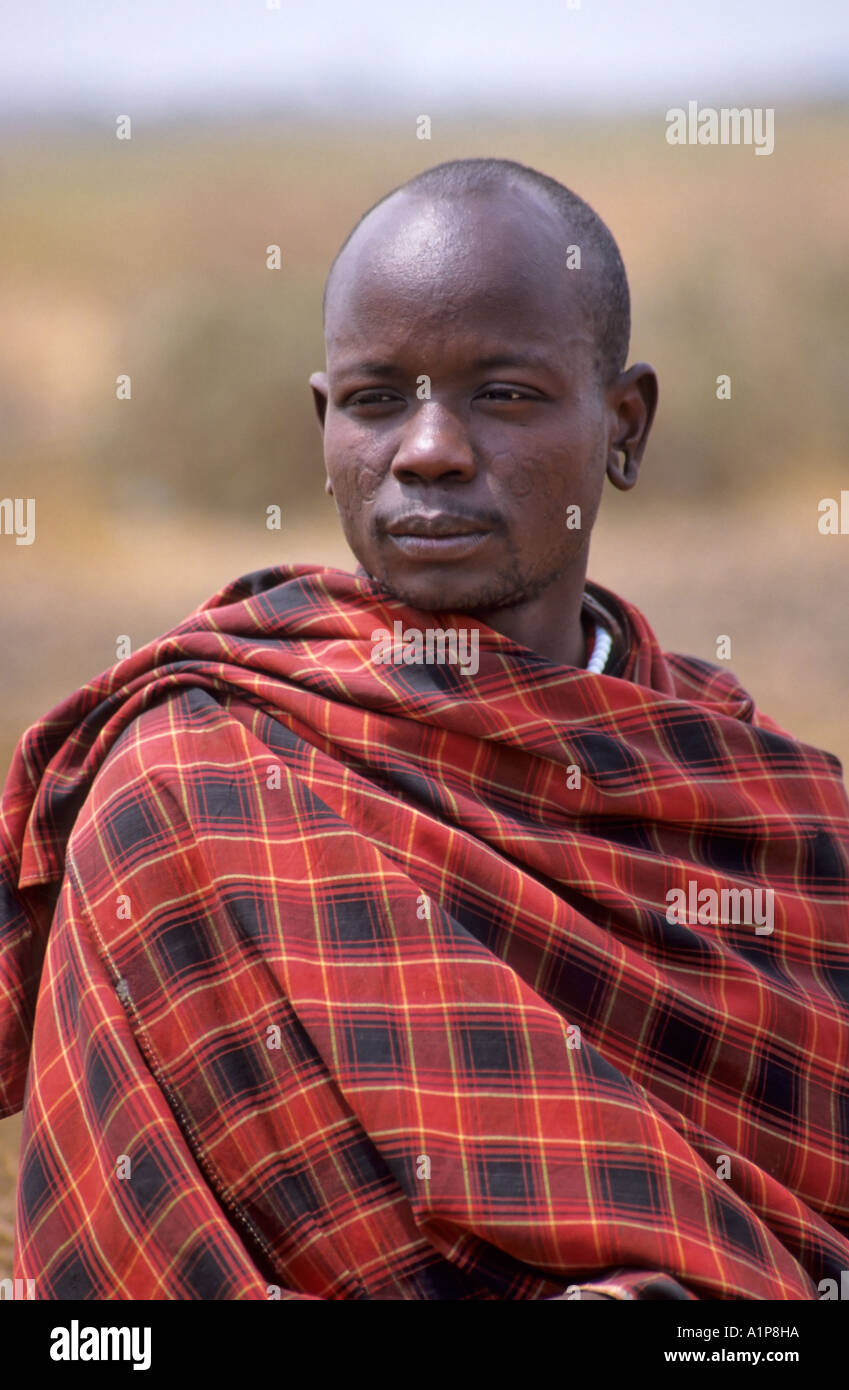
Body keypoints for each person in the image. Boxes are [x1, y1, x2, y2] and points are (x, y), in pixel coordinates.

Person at [1, 158, 847, 1301]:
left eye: (503, 394)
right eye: (377, 398)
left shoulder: (770, 821)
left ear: (625, 425)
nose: (430, 448)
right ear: (325, 427)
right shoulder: (187, 782)